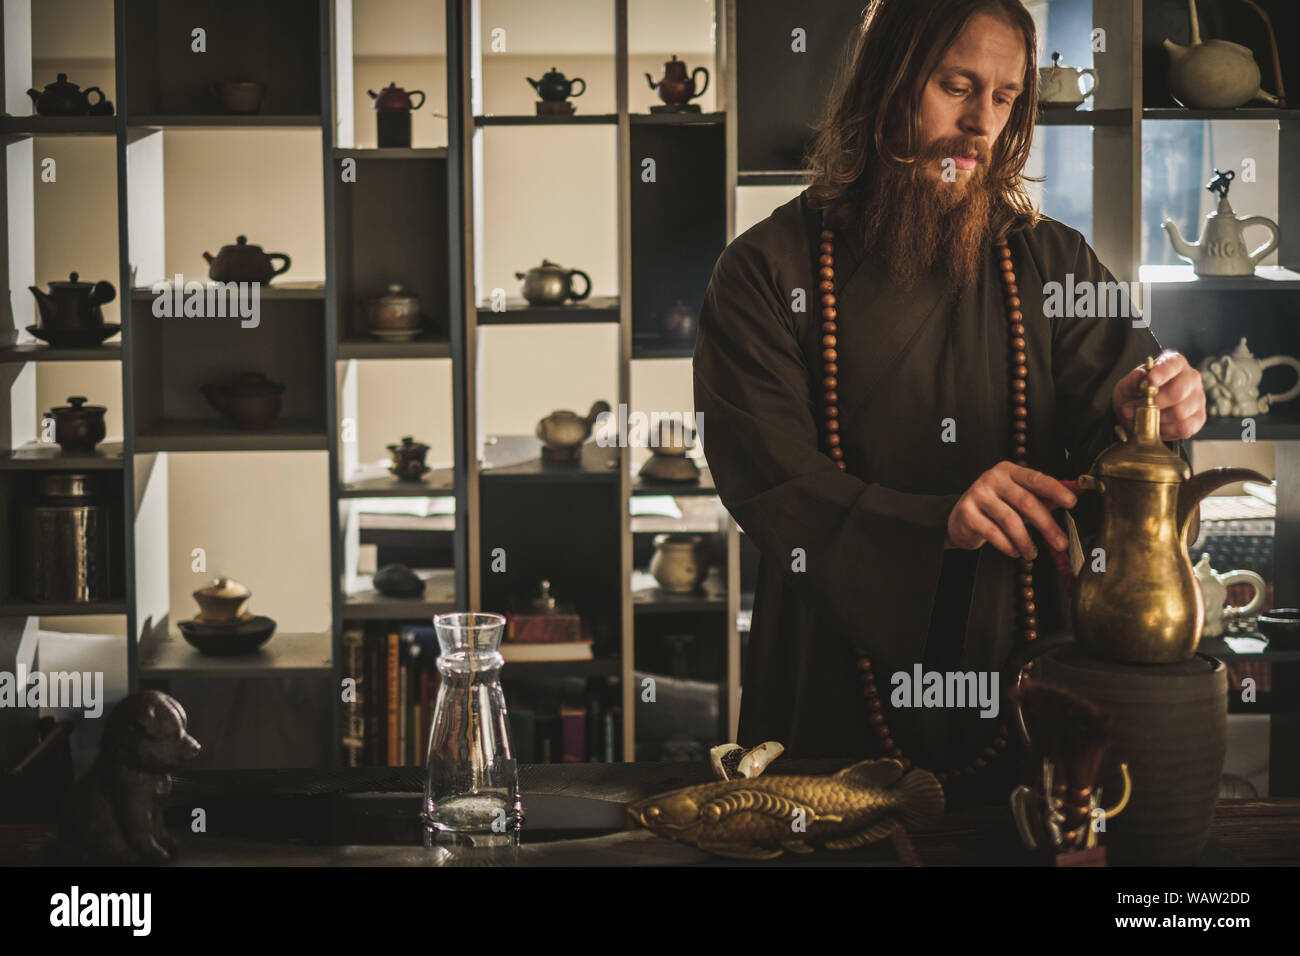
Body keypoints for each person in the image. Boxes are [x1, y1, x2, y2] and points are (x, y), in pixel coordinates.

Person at [692, 0, 1207, 807]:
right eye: (955, 86)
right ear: (885, 84)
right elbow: (771, 482)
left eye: (1005, 98)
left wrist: (1148, 410)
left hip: (1026, 666)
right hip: (831, 667)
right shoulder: (764, 272)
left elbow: (1130, 460)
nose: (980, 123)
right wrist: (942, 524)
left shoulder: (1049, 260)